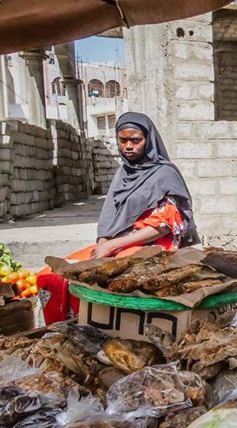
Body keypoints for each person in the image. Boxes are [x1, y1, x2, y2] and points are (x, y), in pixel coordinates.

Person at [38, 112, 198, 323]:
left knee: (101, 281)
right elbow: (110, 218)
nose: (128, 146)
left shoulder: (164, 174)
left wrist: (113, 246)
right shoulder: (123, 173)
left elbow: (164, 225)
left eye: (135, 140)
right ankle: (65, 329)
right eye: (123, 140)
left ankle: (101, 327)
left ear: (148, 141)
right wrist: (104, 242)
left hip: (153, 247)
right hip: (116, 245)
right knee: (53, 276)